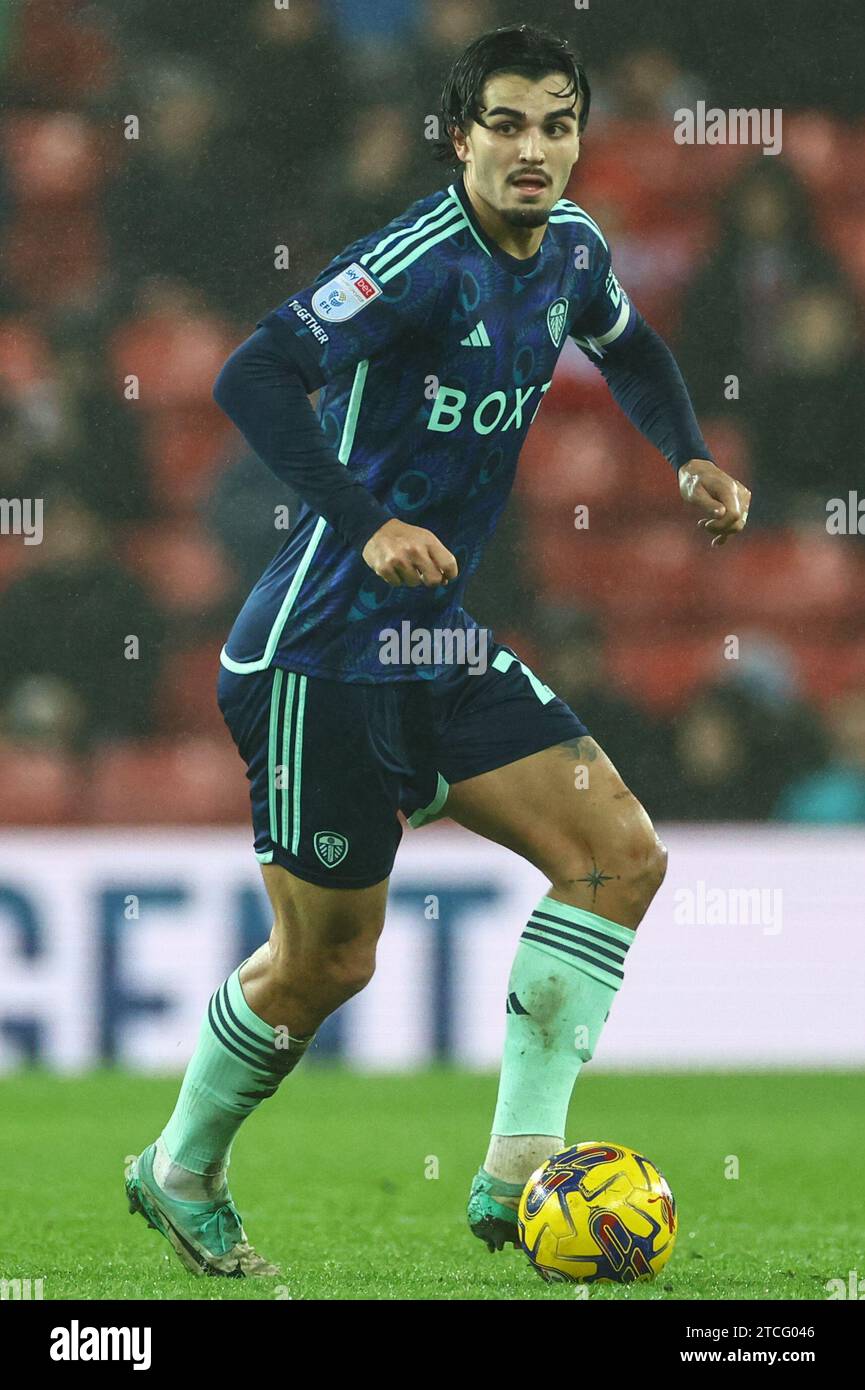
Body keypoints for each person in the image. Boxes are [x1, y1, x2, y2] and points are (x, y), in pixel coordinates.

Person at [125, 23, 750, 1277]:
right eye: (507, 126)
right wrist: (368, 525)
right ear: (460, 137)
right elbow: (252, 374)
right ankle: (178, 1164)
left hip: (434, 644)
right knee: (325, 967)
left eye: (556, 126)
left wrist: (683, 449)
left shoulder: (572, 249)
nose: (534, 151)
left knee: (617, 857)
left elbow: (626, 344)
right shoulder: (414, 262)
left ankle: (518, 1173)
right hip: (316, 655)